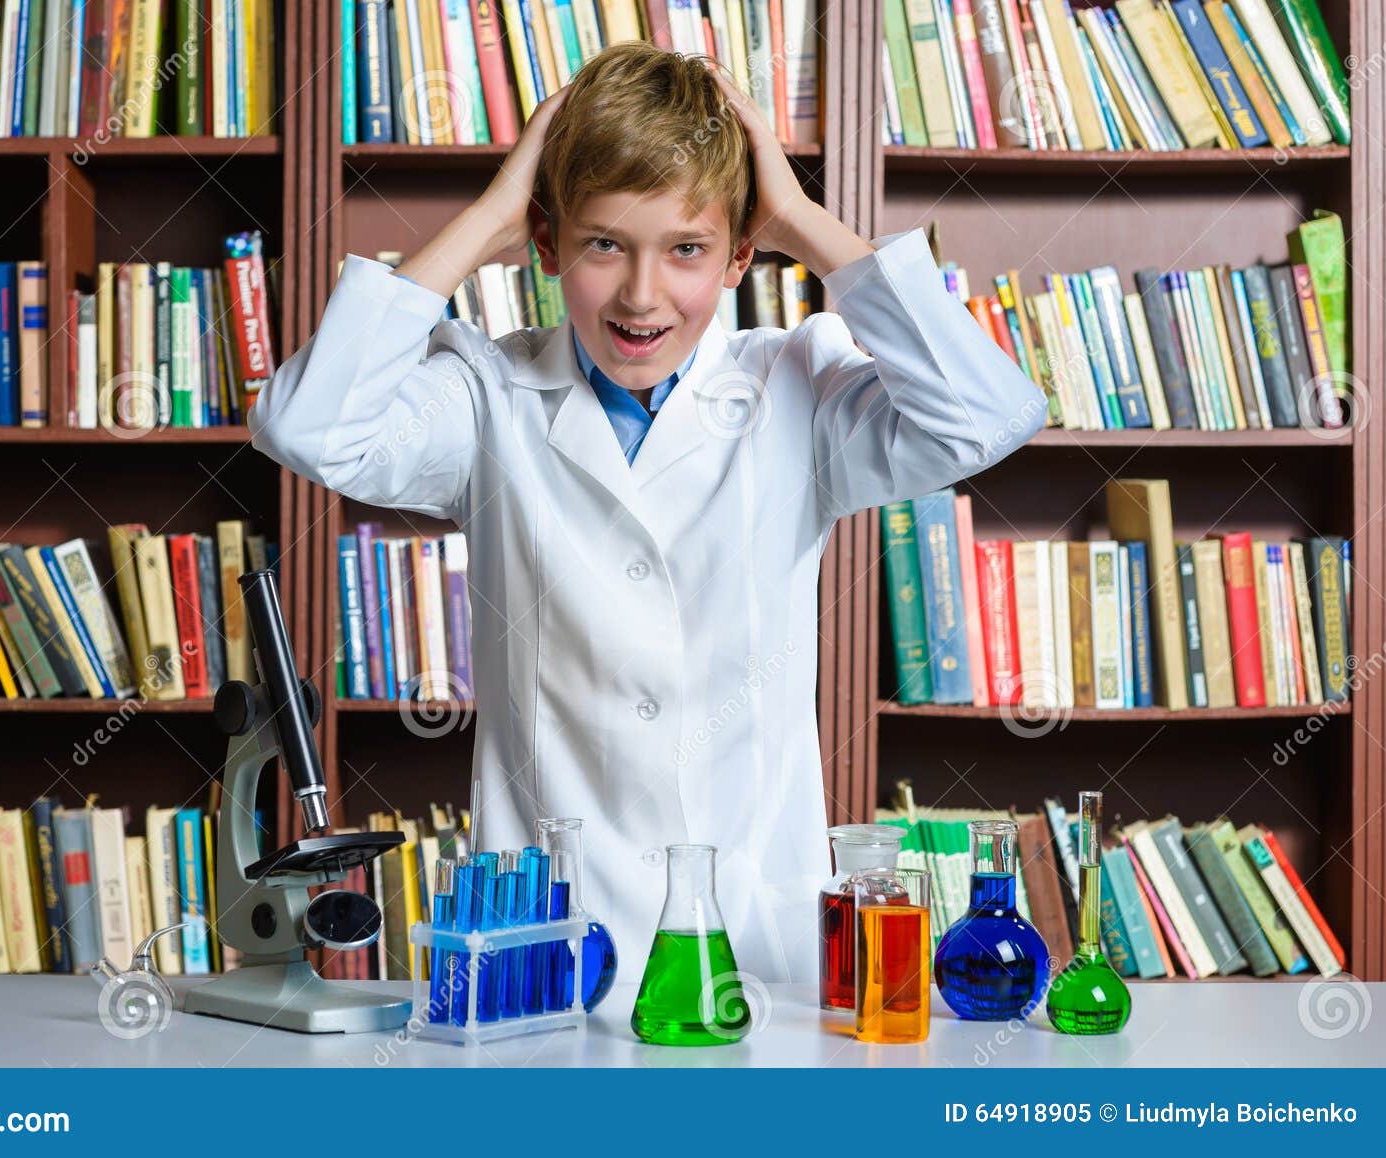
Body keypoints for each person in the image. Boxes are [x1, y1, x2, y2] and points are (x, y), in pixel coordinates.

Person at [250, 42, 1047, 987]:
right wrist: (489, 216)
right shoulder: (487, 396)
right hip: (551, 950)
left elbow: (988, 416)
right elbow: (305, 425)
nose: (641, 295)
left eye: (687, 250)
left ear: (741, 253)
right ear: (544, 245)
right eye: (602, 244)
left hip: (756, 956)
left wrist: (795, 210)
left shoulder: (798, 385)